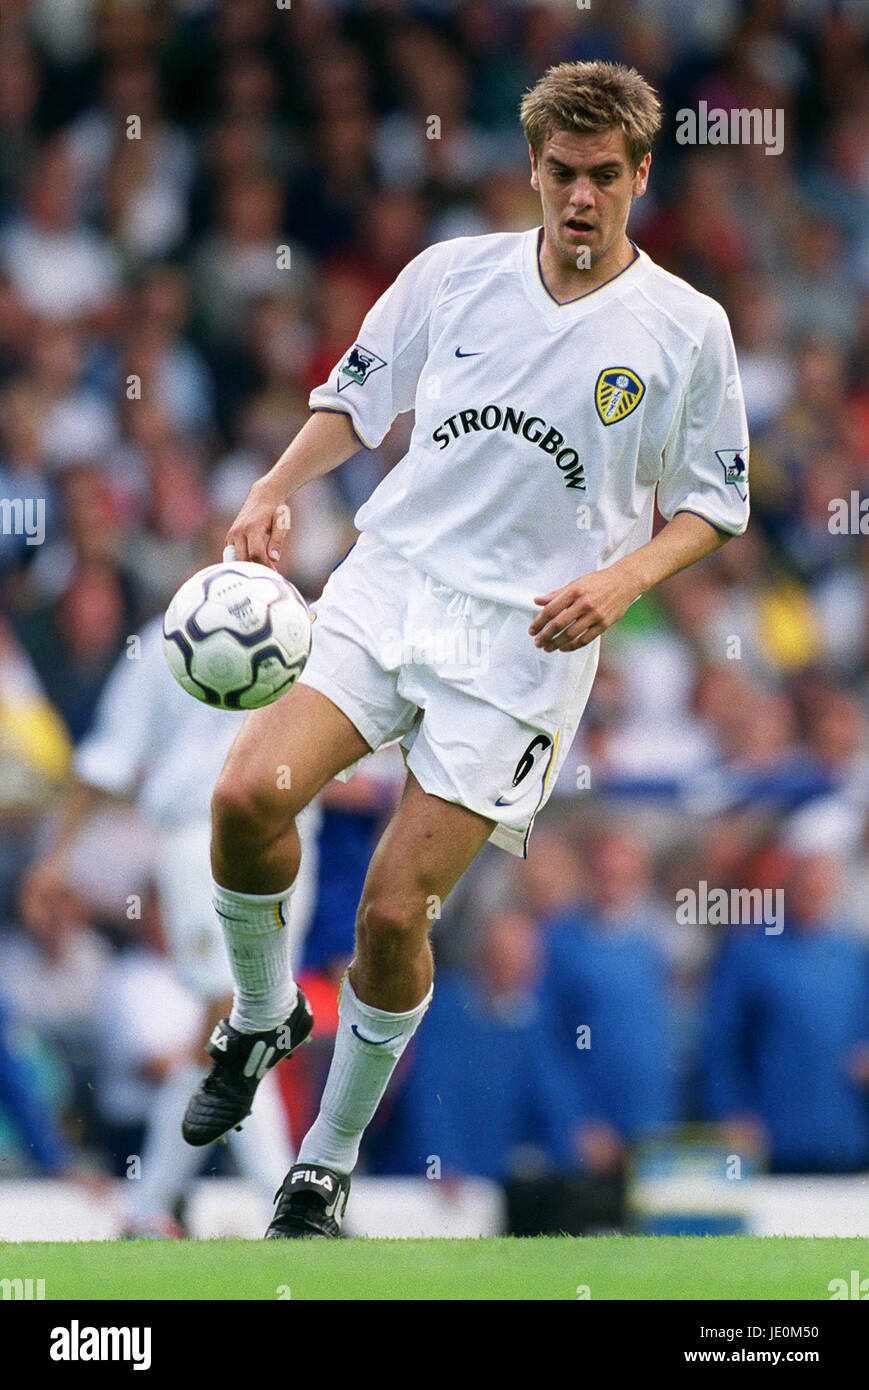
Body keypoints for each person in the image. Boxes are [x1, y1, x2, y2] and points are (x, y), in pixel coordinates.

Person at [183, 60, 750, 1238]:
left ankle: (322, 1166)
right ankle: (257, 1012)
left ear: (639, 176)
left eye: (604, 176)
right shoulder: (451, 275)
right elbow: (356, 398)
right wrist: (278, 484)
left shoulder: (685, 329)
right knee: (245, 796)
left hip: (524, 647)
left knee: (392, 915)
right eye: (560, 174)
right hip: (390, 589)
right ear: (531, 171)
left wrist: (623, 577)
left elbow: (714, 501)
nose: (580, 197)